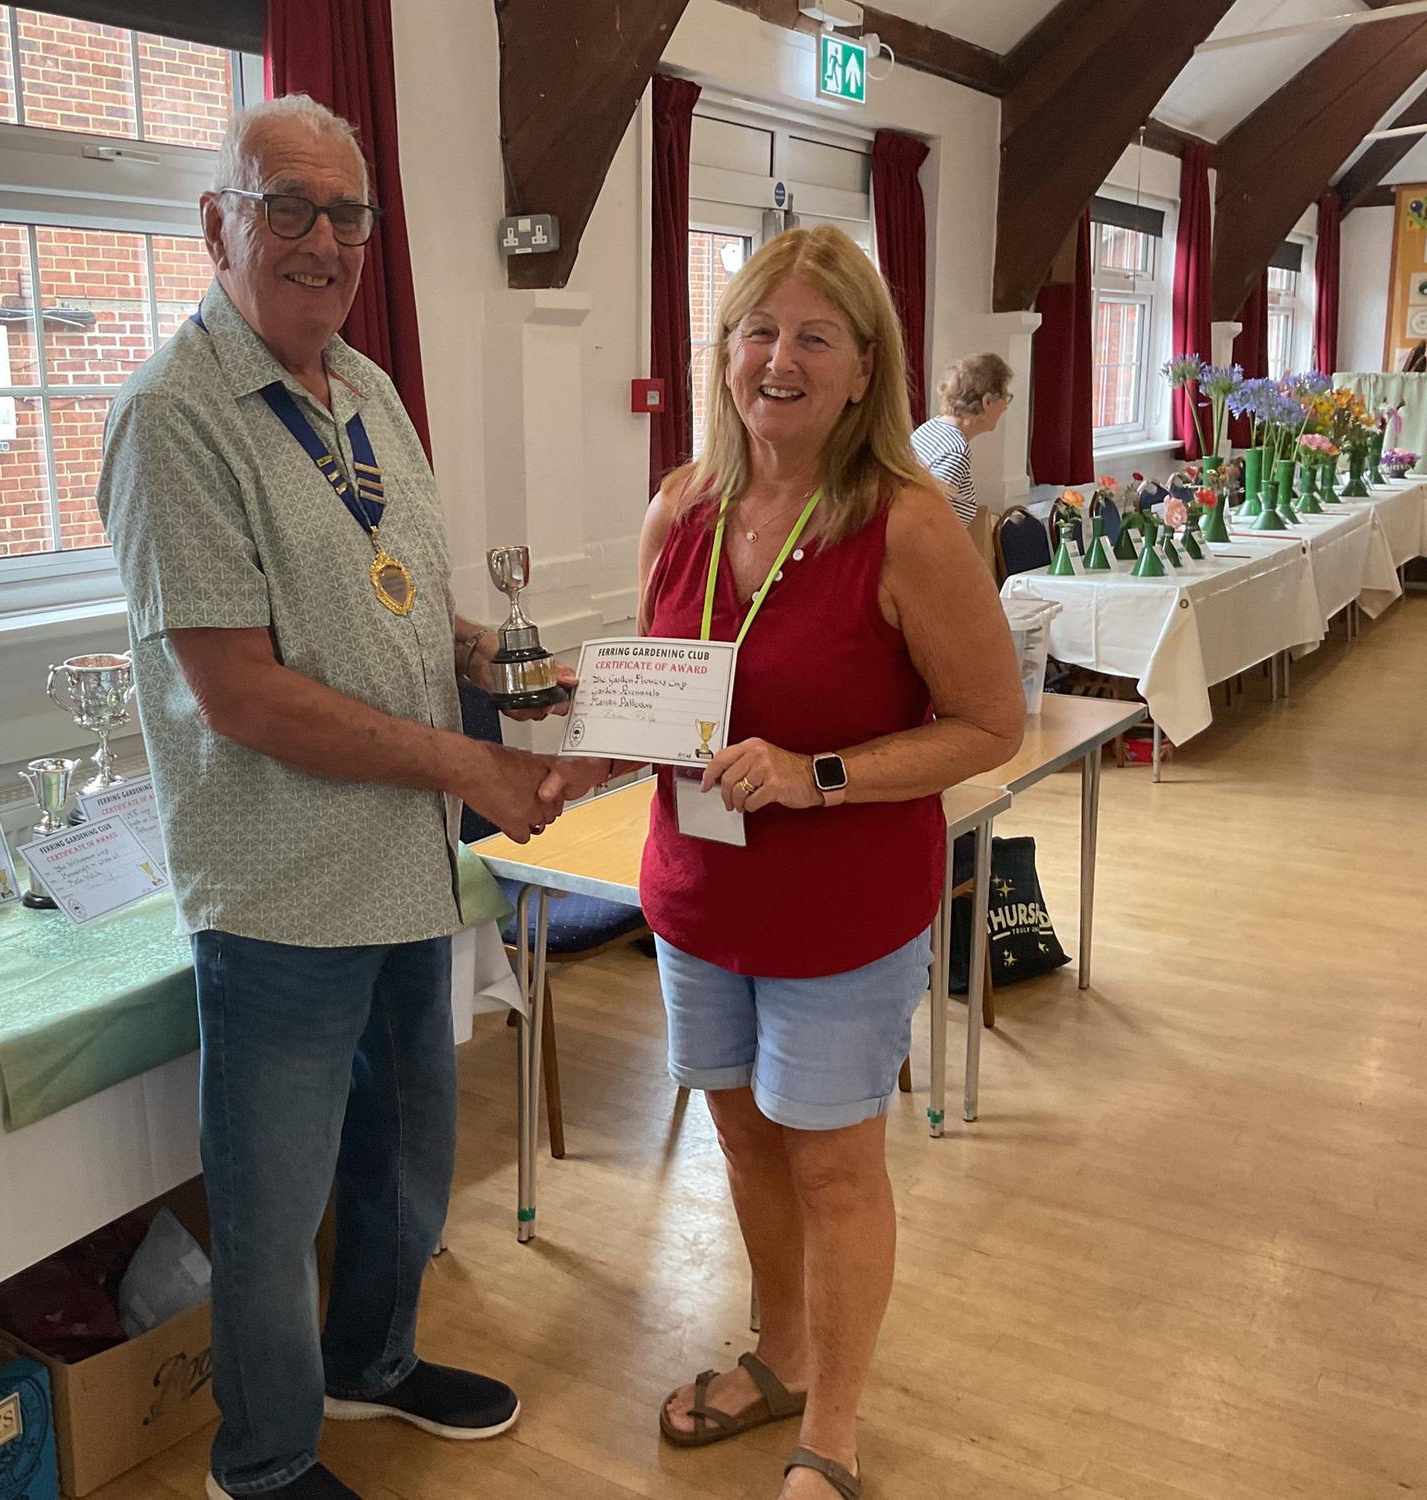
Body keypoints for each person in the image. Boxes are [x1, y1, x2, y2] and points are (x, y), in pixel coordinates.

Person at [97, 95, 571, 1500]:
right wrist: (474, 766)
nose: (322, 239)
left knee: (406, 1150)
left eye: (346, 212)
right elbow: (242, 693)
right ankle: (261, 1459)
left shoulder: (364, 390)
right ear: (218, 225)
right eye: (284, 205)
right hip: (280, 887)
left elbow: (409, 611)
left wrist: (509, 663)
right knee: (270, 1200)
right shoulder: (174, 417)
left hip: (401, 869)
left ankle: (374, 1367)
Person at [550, 226, 1024, 1499]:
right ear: (723, 353)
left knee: (830, 1160)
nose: (778, 358)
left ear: (866, 369)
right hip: (698, 895)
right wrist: (583, 737)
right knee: (746, 1144)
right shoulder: (679, 507)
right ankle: (781, 1356)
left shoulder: (909, 527)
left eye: (815, 335)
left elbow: (990, 725)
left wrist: (818, 775)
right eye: (757, 330)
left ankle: (838, 1430)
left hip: (841, 909)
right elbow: (667, 694)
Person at [911, 354, 1013, 568]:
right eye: (1006, 397)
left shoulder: (932, 427)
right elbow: (928, 516)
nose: (1005, 406)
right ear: (987, 401)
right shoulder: (955, 450)